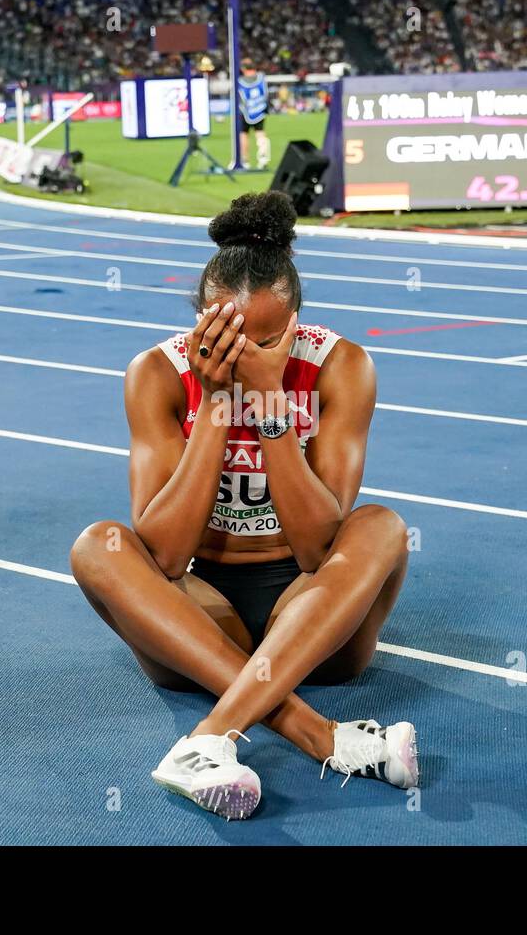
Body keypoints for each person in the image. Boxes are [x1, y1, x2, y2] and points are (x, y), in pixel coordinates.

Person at [70, 191, 419, 821]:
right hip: (204, 618)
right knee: (100, 545)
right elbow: (168, 554)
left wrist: (269, 409)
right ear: (200, 322)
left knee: (382, 526)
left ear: (296, 325)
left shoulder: (342, 366)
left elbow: (319, 547)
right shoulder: (156, 373)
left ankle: (213, 734)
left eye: (263, 341)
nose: (243, 355)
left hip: (313, 613)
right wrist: (216, 406)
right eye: (226, 337)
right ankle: (322, 736)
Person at [236, 57, 270, 170]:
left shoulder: (240, 81)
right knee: (260, 133)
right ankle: (263, 159)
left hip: (245, 112)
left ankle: (245, 161)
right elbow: (265, 94)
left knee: (244, 135)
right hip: (260, 110)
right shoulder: (261, 77)